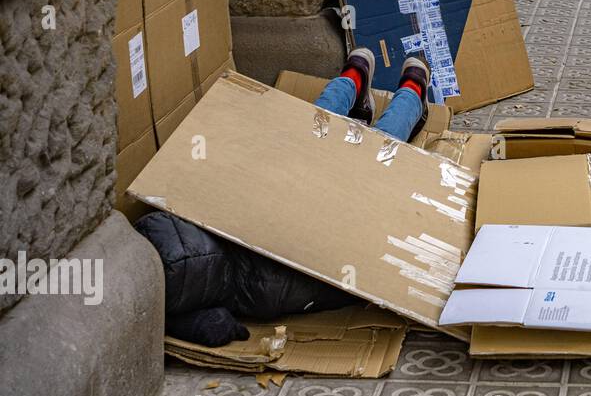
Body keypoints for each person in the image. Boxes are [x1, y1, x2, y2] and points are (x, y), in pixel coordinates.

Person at [133, 48, 433, 347]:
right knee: (309, 135)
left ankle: (412, 89)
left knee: (378, 156)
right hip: (255, 205)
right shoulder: (147, 230)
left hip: (267, 273)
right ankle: (354, 77)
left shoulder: (156, 298)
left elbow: (214, 327)